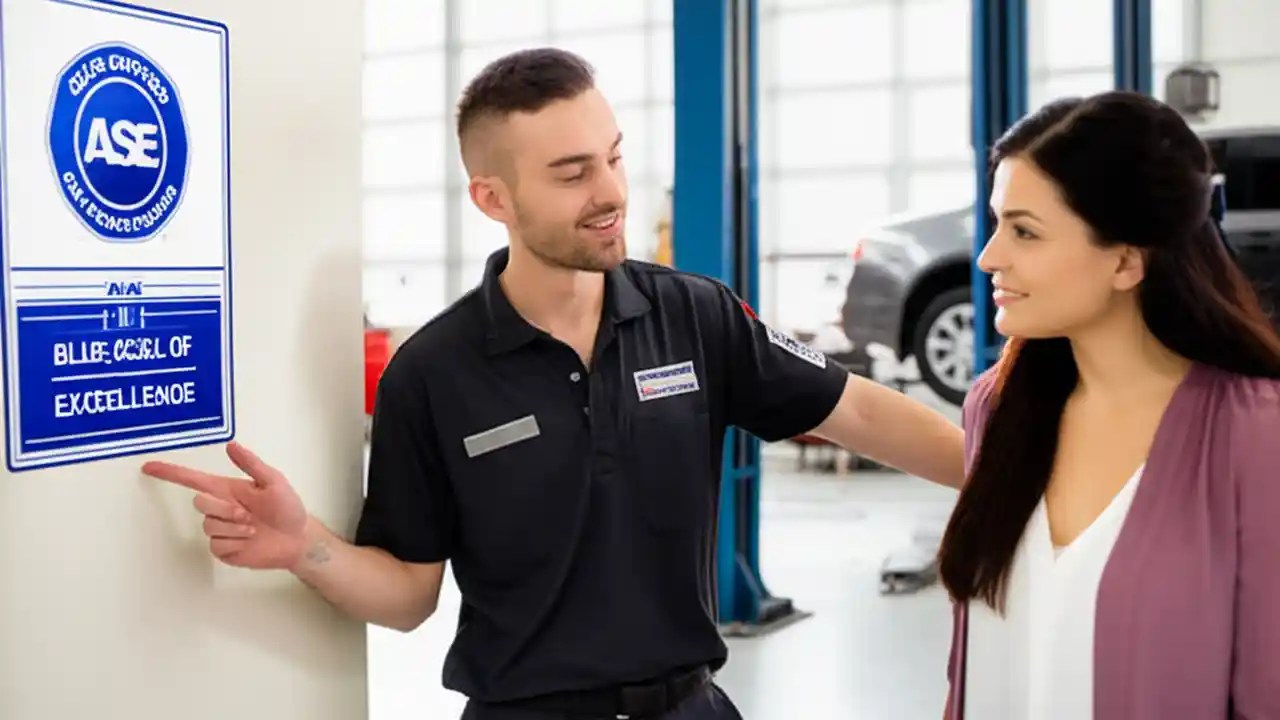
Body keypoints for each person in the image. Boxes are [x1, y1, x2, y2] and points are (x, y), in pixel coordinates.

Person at [143, 48, 965, 720]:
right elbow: (407, 597)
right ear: (492, 197)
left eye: (612, 157)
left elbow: (856, 408)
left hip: (691, 709)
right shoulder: (432, 374)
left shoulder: (694, 315)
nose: (610, 192)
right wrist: (306, 547)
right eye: (572, 174)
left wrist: (1018, 470)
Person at [938, 90, 1280, 720]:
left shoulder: (1253, 433)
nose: (989, 257)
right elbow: (967, 672)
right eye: (996, 223)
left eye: (1024, 231)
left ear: (1125, 261)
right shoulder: (996, 408)